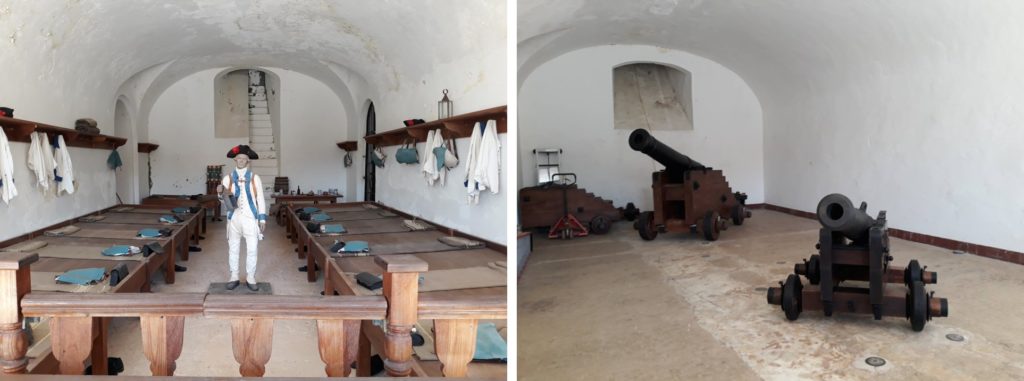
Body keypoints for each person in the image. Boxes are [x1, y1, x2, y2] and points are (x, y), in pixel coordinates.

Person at [217, 145, 267, 291]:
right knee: (233, 248)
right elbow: (222, 200)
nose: (241, 161)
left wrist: (262, 218)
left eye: (244, 159)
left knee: (252, 249)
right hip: (234, 219)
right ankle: (234, 276)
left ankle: (251, 277)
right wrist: (220, 193)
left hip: (251, 218)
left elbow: (261, 199)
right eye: (239, 158)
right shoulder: (228, 178)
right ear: (235, 160)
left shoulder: (254, 178)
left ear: (248, 161)